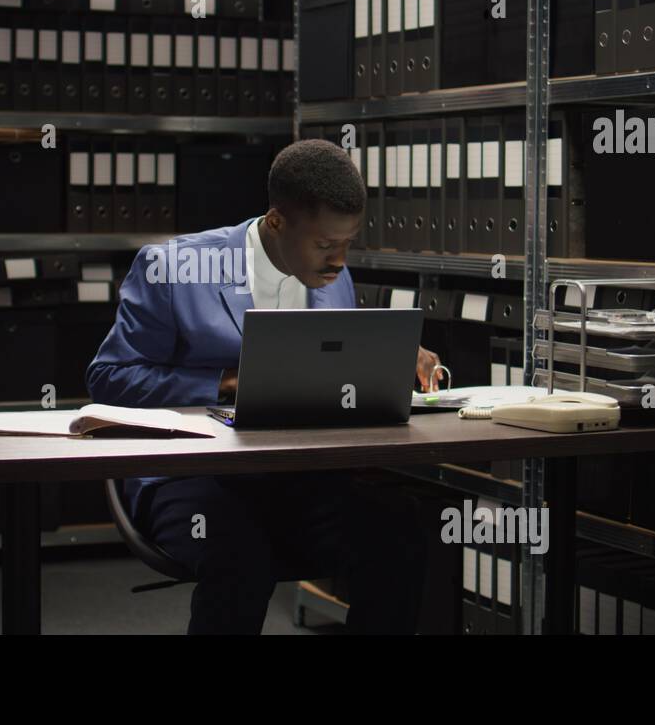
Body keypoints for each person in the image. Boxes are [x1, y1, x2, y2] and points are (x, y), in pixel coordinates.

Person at [87, 138, 441, 634]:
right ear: (276, 222)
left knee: (398, 535)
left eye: (347, 243)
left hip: (294, 476)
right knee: (239, 556)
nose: (339, 260)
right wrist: (227, 381)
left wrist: (389, 359)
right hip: (188, 478)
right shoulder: (172, 269)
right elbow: (109, 379)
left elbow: (327, 365)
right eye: (324, 244)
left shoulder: (330, 274)